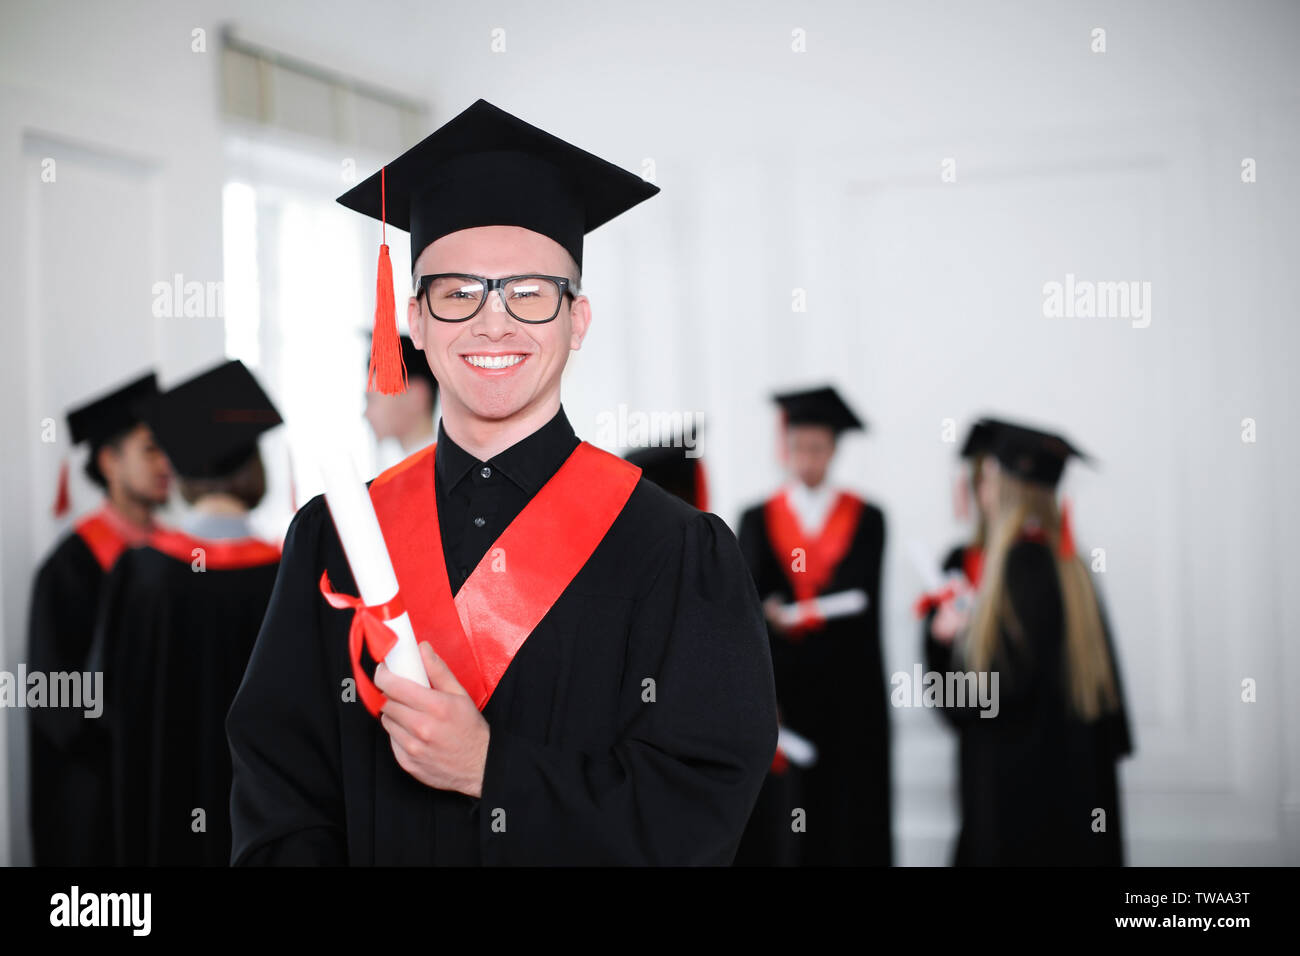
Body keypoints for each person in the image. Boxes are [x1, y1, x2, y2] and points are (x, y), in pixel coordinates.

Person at [227, 98, 778, 865]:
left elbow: (701, 809)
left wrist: (493, 771)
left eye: (529, 292)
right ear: (414, 323)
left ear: (577, 320)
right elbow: (280, 792)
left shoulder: (677, 552)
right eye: (457, 294)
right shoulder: (336, 535)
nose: (493, 324)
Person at [89, 359, 283, 865]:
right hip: (260, 820)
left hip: (160, 812)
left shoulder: (142, 576)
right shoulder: (289, 576)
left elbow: (105, 703)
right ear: (254, 466)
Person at [925, 420, 1133, 865]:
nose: (981, 493)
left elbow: (980, 702)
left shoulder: (1017, 573)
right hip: (1074, 796)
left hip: (1017, 806)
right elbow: (1111, 722)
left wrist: (949, 641)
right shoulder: (1069, 566)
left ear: (1002, 490)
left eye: (989, 481)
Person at [735, 386, 891, 866]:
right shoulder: (757, 519)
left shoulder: (867, 518)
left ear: (834, 450)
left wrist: (798, 614)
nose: (807, 459)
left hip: (850, 694)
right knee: (787, 820)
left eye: (818, 448)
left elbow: (864, 606)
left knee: (849, 816)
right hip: (785, 693)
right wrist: (769, 615)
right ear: (786, 448)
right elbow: (745, 609)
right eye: (799, 447)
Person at [26, 371, 172, 865]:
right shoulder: (69, 570)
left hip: (165, 792)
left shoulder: (178, 559)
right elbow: (54, 702)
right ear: (109, 461)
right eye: (151, 449)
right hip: (96, 805)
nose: (165, 463)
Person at [365, 334, 439, 470]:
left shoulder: (436, 473)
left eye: (373, 400)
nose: (366, 414)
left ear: (415, 396)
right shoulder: (407, 468)